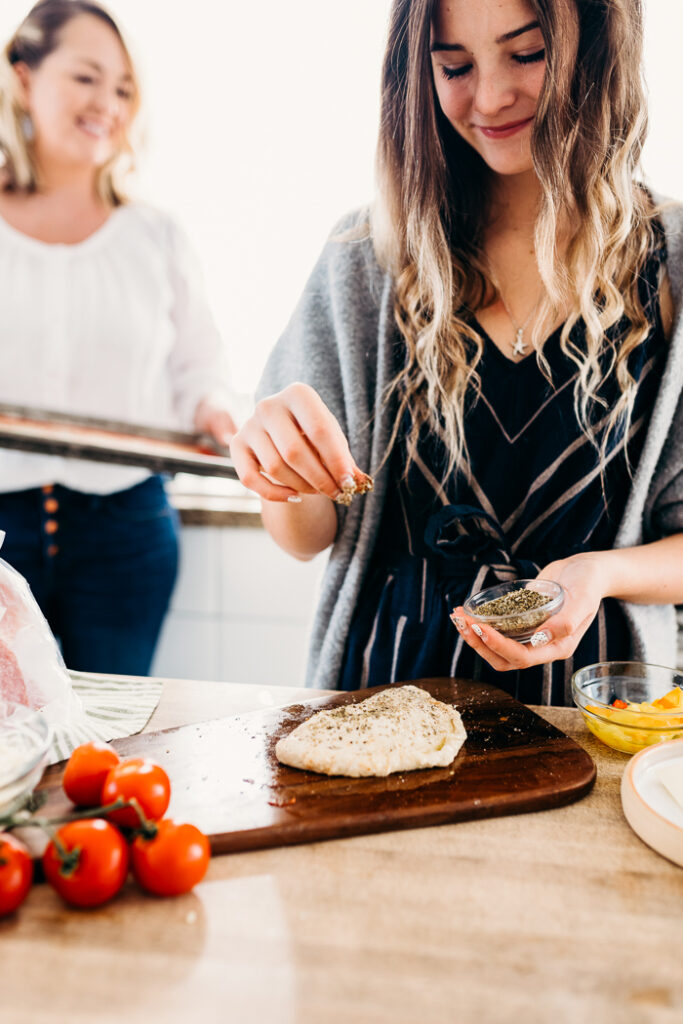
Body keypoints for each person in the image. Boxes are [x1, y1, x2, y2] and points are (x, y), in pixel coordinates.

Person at [231, 0, 683, 703]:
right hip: (381, 694)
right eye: (454, 66)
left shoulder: (672, 264)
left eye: (526, 53)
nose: (491, 96)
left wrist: (598, 574)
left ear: (597, 53)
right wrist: (279, 466)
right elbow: (304, 536)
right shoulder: (364, 259)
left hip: (594, 712)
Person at [0, 0, 237, 676]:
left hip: (126, 533)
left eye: (125, 88)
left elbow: (201, 368)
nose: (108, 102)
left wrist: (218, 414)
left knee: (108, 742)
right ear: (23, 76)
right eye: (86, 77)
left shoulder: (155, 236)